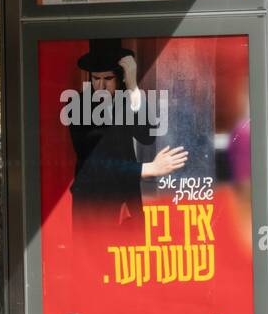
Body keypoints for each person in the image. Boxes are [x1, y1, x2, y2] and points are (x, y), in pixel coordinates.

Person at [68, 39, 187, 227]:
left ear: (121, 77)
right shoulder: (78, 105)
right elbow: (93, 163)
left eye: (107, 79)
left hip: (128, 202)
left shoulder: (127, 99)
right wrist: (147, 169)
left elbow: (147, 136)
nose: (100, 87)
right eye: (95, 78)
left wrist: (133, 87)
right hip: (94, 207)